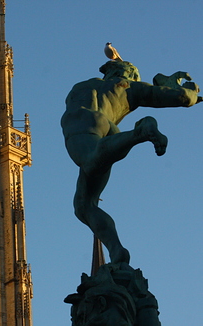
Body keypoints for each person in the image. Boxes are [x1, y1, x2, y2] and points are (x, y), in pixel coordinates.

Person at [61, 61, 202, 264]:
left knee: (90, 162)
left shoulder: (82, 86)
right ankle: (117, 251)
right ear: (131, 75)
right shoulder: (130, 88)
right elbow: (180, 97)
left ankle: (140, 132)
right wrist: (190, 92)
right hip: (108, 133)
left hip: (83, 123)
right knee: (83, 205)